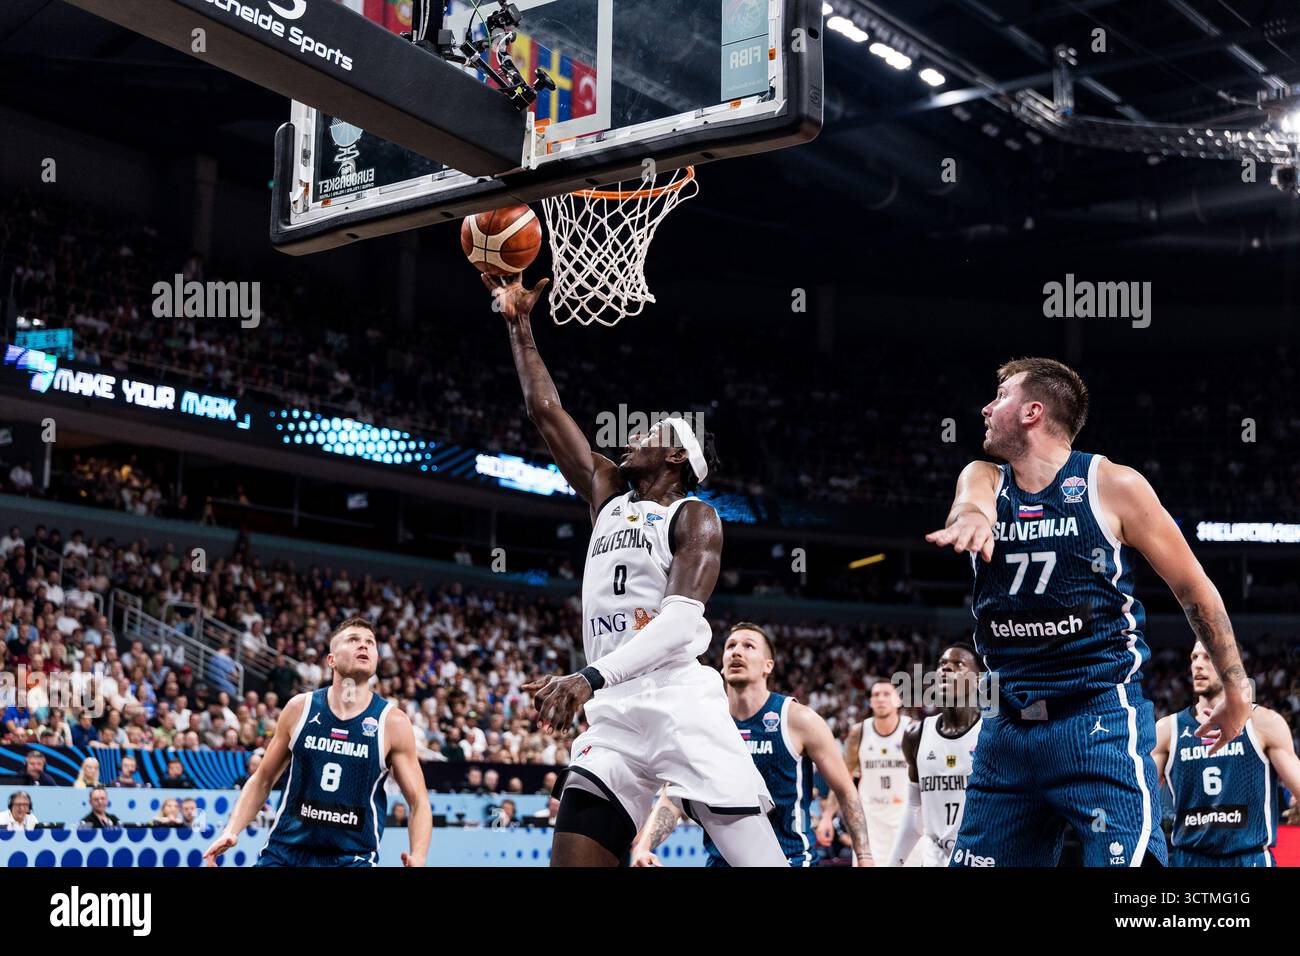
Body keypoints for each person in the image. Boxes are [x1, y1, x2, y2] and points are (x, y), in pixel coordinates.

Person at [489, 275, 784, 868]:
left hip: (679, 706)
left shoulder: (694, 517)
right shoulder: (606, 496)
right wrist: (520, 327)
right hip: (614, 717)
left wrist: (586, 678)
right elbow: (546, 411)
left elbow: (678, 625)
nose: (636, 437)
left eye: (653, 433)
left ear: (678, 456)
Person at [929, 357, 1250, 867]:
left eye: (1001, 395)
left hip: (1097, 719)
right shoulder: (985, 476)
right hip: (1007, 729)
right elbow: (973, 497)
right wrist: (970, 514)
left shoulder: (1112, 484)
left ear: (1033, 410)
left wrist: (1237, 685)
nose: (987, 408)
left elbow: (1195, 590)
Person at [630, 622, 873, 867]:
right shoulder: (703, 724)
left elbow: (845, 790)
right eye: (731, 646)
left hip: (791, 860)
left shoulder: (798, 719)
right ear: (722, 666)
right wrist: (643, 846)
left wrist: (864, 857)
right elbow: (674, 797)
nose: (737, 652)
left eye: (749, 646)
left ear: (768, 665)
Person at [204, 618, 432, 867]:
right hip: (285, 853)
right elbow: (263, 779)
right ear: (331, 660)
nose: (364, 646)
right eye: (353, 640)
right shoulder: (299, 708)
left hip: (351, 858)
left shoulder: (393, 722)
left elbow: (418, 801)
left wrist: (418, 856)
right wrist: (232, 830)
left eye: (370, 642)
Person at [1153, 641, 1300, 867]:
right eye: (1194, 658)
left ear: (1233, 665)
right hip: (1189, 859)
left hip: (1249, 858)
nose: (1198, 665)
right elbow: (1137, 799)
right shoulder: (1167, 730)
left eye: (1208, 657)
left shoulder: (1263, 723)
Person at [887, 645, 984, 866]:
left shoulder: (991, 734)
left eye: (958, 665)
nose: (946, 669)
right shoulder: (916, 734)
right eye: (942, 664)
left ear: (978, 680)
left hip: (978, 857)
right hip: (934, 858)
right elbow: (914, 809)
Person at [837, 680, 923, 866]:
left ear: (899, 700)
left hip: (907, 819)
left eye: (887, 694)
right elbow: (843, 777)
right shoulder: (858, 732)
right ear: (870, 702)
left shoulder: (914, 729)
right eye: (876, 695)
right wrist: (828, 817)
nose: (881, 699)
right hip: (870, 822)